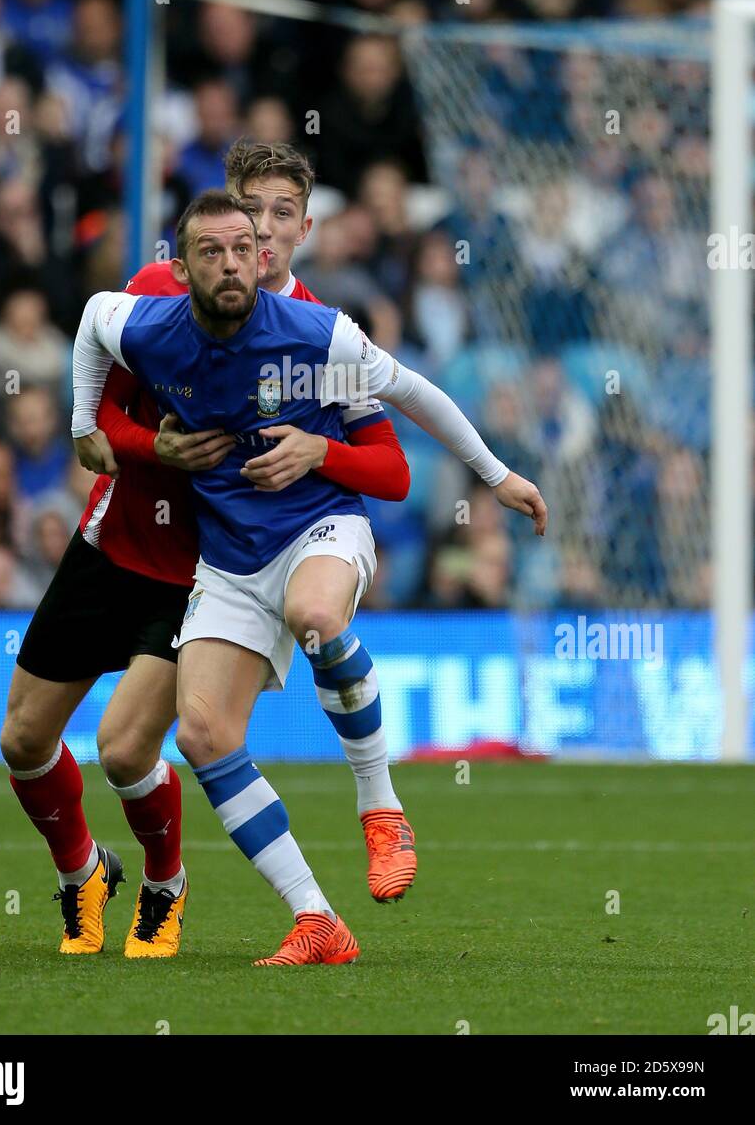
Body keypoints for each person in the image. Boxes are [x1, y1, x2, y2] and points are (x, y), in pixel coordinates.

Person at [72, 190, 547, 965]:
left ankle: (381, 806)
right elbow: (93, 322)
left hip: (320, 530)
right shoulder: (151, 325)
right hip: (228, 557)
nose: (235, 260)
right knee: (201, 734)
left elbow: (414, 399)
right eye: (215, 250)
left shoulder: (320, 333)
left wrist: (495, 475)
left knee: (317, 614)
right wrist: (81, 423)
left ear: (274, 248)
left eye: (248, 243)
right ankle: (316, 918)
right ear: (181, 265)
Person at [0, 179, 411, 962]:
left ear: (297, 230)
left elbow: (389, 455)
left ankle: (165, 885)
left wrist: (321, 457)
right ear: (198, 242)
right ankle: (83, 872)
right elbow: (100, 421)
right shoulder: (157, 294)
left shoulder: (310, 331)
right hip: (110, 542)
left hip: (197, 568)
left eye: (279, 217)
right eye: (247, 215)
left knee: (127, 750)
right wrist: (150, 446)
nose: (259, 236)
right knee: (21, 739)